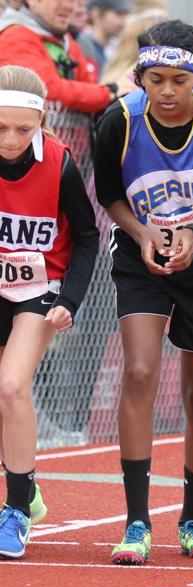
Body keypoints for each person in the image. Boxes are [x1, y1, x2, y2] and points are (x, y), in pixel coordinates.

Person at [92, 19, 193, 566]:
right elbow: (111, 194)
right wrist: (143, 234)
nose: (167, 92)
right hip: (140, 253)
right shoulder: (117, 121)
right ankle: (136, 521)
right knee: (140, 370)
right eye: (155, 80)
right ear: (139, 76)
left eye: (179, 81)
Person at [0, 65, 98, 558]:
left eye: (23, 128)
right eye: (1, 128)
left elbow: (87, 237)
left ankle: (16, 509)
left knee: (12, 385)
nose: (11, 139)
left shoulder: (59, 164)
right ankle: (27, 487)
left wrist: (69, 301)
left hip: (38, 288)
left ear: (41, 121)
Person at [0, 0, 130, 115]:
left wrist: (113, 92)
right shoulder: (15, 35)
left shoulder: (65, 40)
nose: (69, 6)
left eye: (73, 0)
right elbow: (47, 89)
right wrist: (108, 92)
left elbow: (88, 85)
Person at [77, 0, 131, 75]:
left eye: (126, 16)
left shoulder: (114, 50)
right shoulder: (81, 46)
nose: (124, 23)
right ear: (96, 14)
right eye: (119, 14)